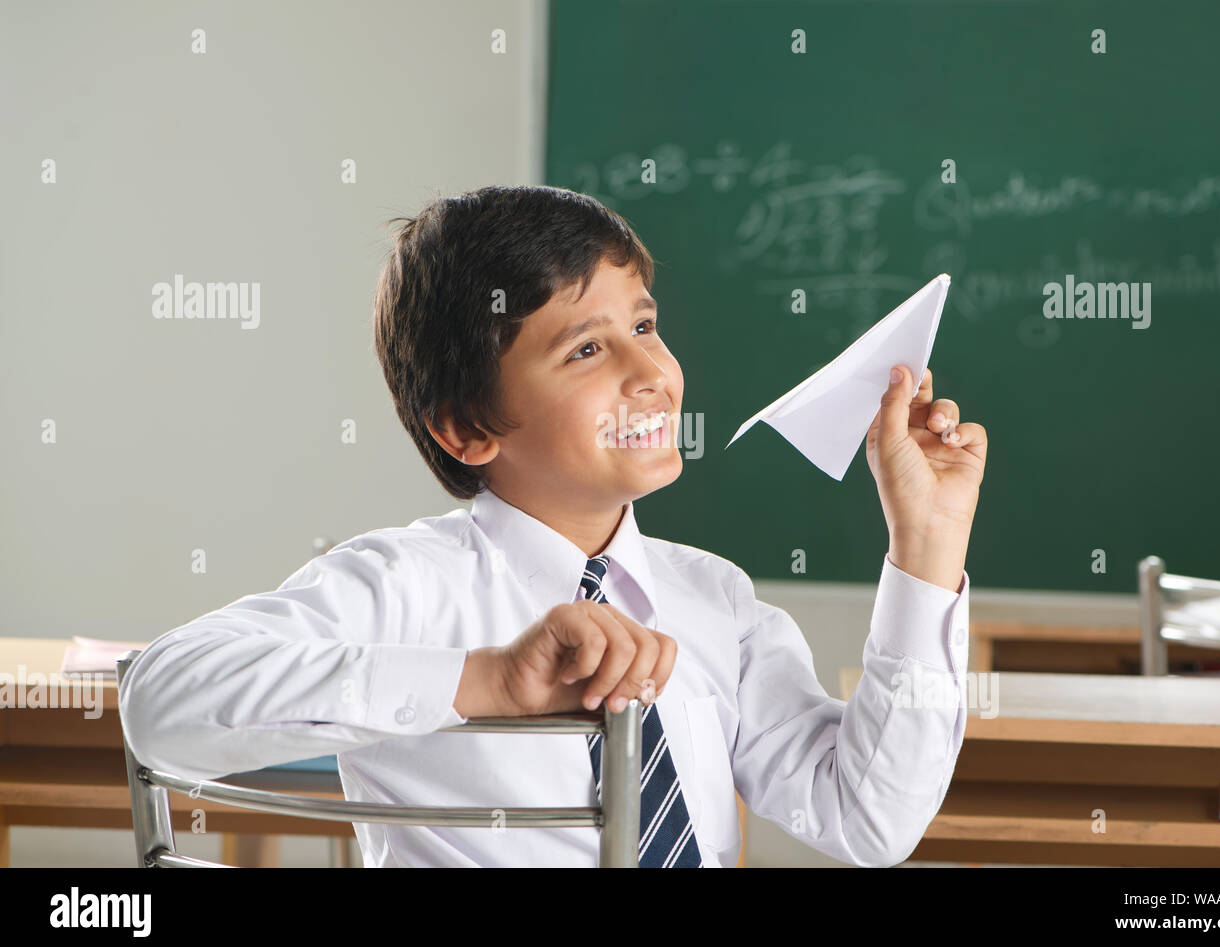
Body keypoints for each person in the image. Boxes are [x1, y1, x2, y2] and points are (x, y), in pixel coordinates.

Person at [119, 185, 988, 867]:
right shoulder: (408, 586)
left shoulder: (714, 600)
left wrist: (927, 545)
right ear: (466, 427)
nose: (652, 370)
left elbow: (869, 820)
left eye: (645, 325)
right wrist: (488, 681)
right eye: (585, 348)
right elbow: (162, 698)